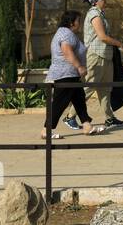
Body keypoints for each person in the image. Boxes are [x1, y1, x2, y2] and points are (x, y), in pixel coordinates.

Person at [66, 0, 123, 131]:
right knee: (89, 86)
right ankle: (70, 116)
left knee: (105, 89)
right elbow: (102, 37)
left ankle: (109, 118)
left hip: (105, 55)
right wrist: (119, 43)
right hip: (96, 56)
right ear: (98, 0)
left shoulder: (99, 14)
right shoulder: (94, 14)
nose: (105, 1)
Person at [42, 11, 101, 139]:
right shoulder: (66, 34)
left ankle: (87, 126)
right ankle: (46, 131)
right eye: (78, 21)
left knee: (79, 100)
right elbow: (66, 51)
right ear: (71, 22)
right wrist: (79, 66)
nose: (79, 24)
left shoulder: (66, 33)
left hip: (71, 75)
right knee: (59, 104)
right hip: (65, 75)